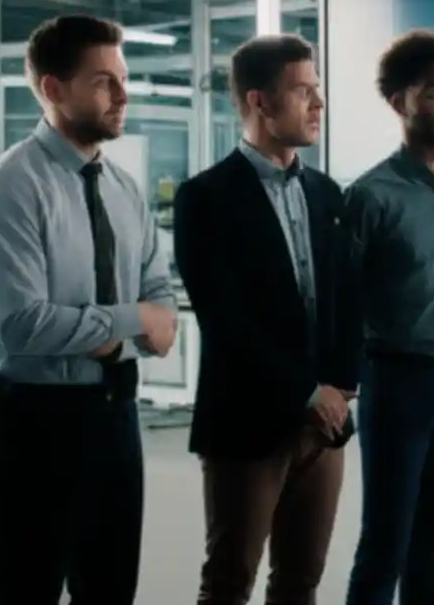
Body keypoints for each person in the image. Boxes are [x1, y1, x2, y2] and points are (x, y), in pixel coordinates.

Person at [0, 15, 178, 604]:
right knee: (28, 587)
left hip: (115, 414)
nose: (123, 94)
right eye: (104, 81)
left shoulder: (122, 188)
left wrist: (119, 324)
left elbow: (160, 290)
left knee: (109, 589)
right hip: (35, 421)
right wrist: (130, 322)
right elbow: (23, 324)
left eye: (124, 78)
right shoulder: (11, 186)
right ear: (52, 89)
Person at [173, 34, 360, 605]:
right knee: (231, 580)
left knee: (301, 580)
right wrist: (308, 390)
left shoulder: (328, 195)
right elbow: (227, 320)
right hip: (247, 425)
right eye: (303, 92)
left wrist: (342, 385)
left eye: (318, 91)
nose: (318, 105)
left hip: (322, 427)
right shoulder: (206, 198)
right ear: (259, 101)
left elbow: (347, 302)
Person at [344, 29, 434, 605]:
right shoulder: (370, 197)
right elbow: (343, 302)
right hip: (397, 382)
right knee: (386, 544)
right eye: (433, 92)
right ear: (399, 102)